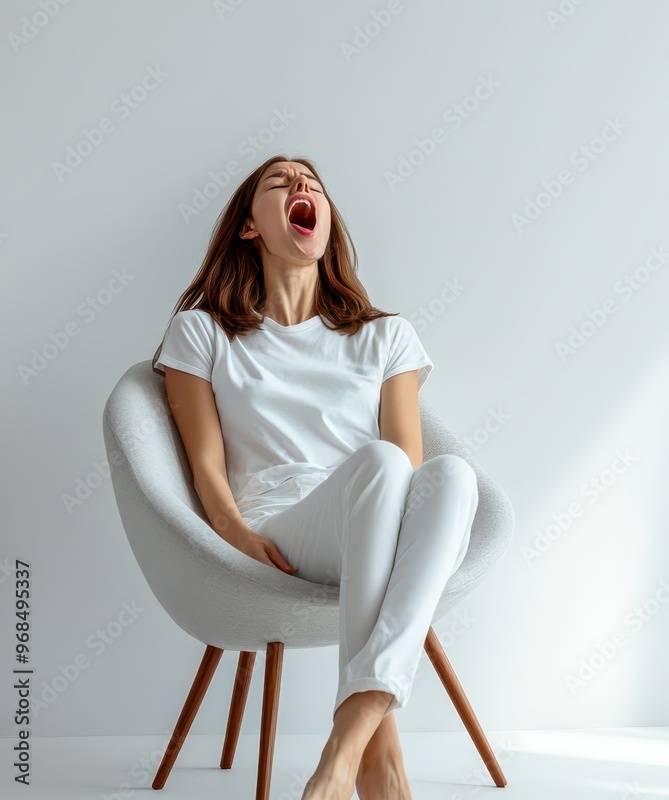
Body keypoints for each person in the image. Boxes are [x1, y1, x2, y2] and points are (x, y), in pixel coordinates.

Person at [151, 155, 478, 800]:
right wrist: (235, 536)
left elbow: (411, 470)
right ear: (250, 226)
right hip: (280, 525)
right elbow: (206, 469)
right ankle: (379, 761)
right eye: (281, 182)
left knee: (454, 478)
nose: (302, 187)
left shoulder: (386, 336)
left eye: (314, 184)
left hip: (376, 514)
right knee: (382, 466)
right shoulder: (203, 334)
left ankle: (347, 745)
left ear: (326, 219)